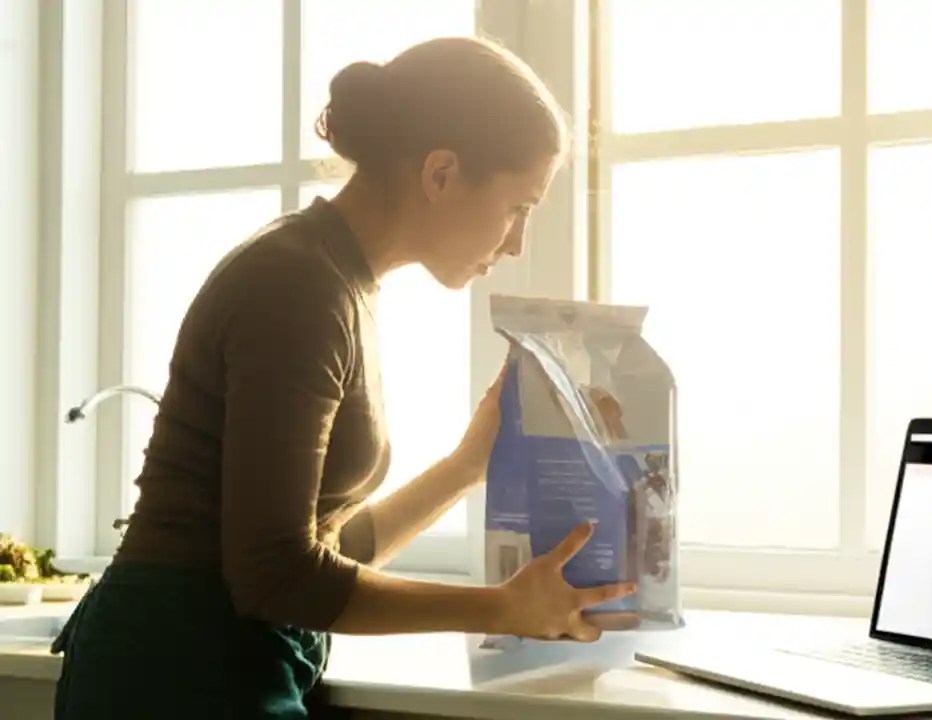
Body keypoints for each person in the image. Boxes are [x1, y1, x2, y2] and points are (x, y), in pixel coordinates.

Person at [52, 36, 635, 719]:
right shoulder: (300, 288)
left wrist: (465, 467)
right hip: (173, 673)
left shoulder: (334, 279)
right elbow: (277, 575)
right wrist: (501, 607)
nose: (517, 243)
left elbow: (321, 549)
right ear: (441, 173)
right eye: (518, 208)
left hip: (211, 661)